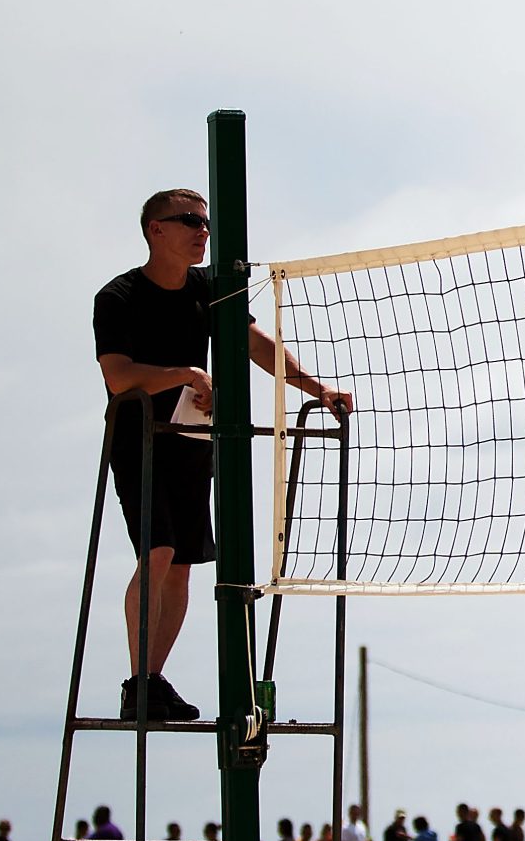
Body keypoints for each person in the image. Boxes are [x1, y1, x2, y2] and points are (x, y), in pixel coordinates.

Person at [93, 189, 351, 721]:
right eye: (187, 220)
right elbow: (118, 377)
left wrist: (317, 389)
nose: (201, 230)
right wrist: (185, 374)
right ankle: (138, 681)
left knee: (183, 565)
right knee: (158, 552)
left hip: (192, 439)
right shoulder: (118, 296)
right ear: (154, 230)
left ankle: (152, 681)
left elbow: (258, 344)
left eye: (205, 222)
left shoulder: (210, 288)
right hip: (139, 437)